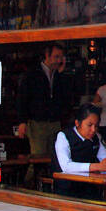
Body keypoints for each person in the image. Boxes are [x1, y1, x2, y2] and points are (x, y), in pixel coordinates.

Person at [16, 43, 72, 181]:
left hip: (54, 122)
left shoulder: (58, 75)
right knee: (38, 157)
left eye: (61, 57)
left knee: (55, 155)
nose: (59, 60)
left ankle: (47, 184)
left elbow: (66, 95)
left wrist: (61, 74)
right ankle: (29, 184)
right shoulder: (32, 73)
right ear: (47, 56)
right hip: (38, 122)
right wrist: (22, 121)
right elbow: (22, 98)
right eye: (56, 56)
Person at [53, 103, 106, 198]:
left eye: (96, 126)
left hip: (89, 187)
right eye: (89, 125)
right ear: (77, 123)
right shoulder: (64, 136)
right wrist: (96, 166)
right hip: (67, 189)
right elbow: (66, 166)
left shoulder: (97, 137)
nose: (93, 130)